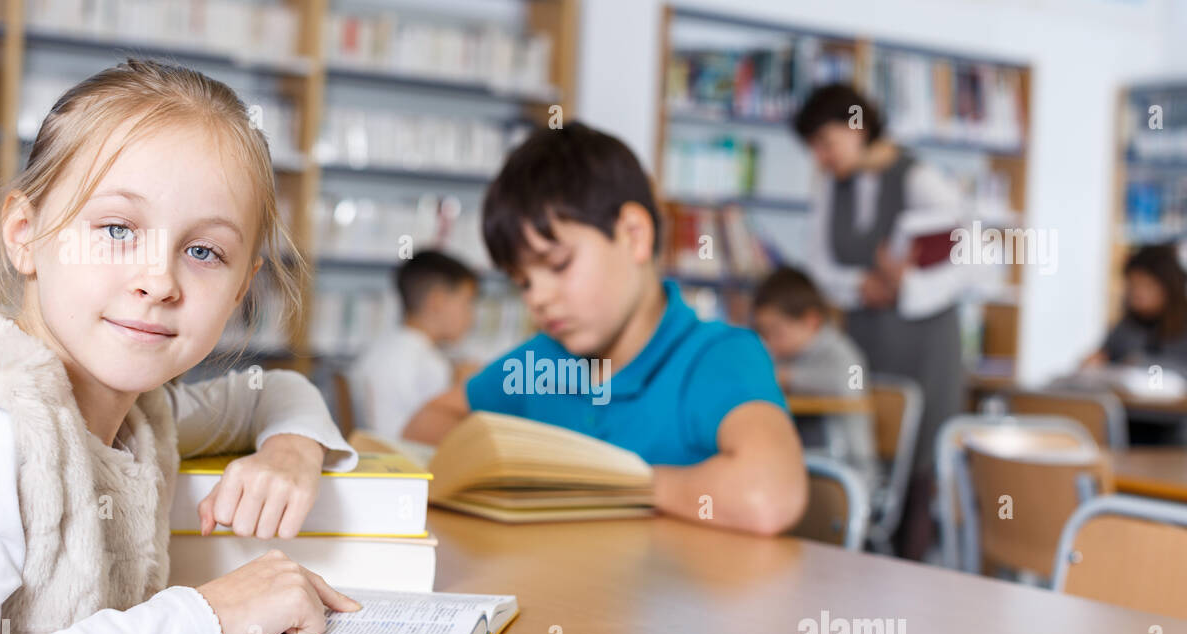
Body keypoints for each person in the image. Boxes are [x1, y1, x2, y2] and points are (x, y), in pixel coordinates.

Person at [0, 59, 362, 634]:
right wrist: (208, 618)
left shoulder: (141, 409)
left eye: (205, 251)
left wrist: (289, 451)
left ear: (242, 289)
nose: (158, 280)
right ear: (26, 234)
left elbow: (276, 391)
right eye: (118, 228)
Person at [403, 122, 807, 537]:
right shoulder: (544, 361)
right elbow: (426, 423)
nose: (536, 298)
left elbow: (767, 497)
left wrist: (601, 482)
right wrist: (502, 462)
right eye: (522, 282)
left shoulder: (717, 357)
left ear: (634, 235)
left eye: (558, 265)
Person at [794, 83, 969, 559]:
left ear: (858, 128)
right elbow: (820, 264)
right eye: (814, 148)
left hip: (925, 339)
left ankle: (909, 573)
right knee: (871, 445)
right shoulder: (832, 186)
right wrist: (860, 287)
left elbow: (968, 256)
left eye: (826, 143)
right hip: (866, 335)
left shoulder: (919, 177)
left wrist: (904, 287)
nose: (821, 157)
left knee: (919, 458)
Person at [752, 266, 878, 490]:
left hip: (848, 475)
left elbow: (846, 382)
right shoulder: (790, 356)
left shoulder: (840, 352)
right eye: (764, 333)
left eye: (777, 332)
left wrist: (786, 377)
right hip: (809, 467)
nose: (770, 343)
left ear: (811, 321)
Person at [351, 250, 479, 437]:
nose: (471, 316)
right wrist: (467, 388)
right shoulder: (428, 363)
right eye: (467, 303)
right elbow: (448, 435)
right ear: (437, 301)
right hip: (411, 458)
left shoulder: (382, 348)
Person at [1084, 243, 1187, 370]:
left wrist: (1146, 364)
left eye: (1146, 286)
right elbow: (1106, 354)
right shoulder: (1129, 323)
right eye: (1132, 286)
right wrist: (1096, 360)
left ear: (1170, 287)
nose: (1137, 294)